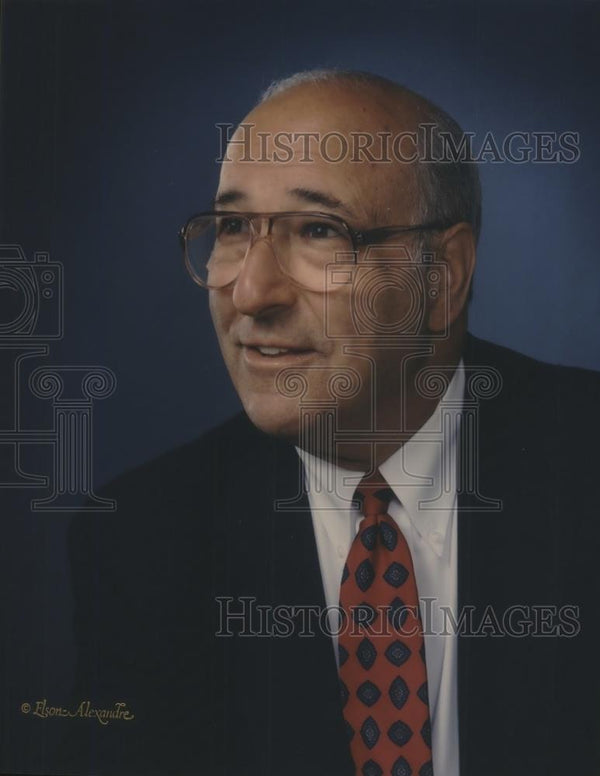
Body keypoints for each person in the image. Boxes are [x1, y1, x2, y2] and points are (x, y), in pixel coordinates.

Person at [65, 71, 600, 776]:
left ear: (442, 276)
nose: (250, 293)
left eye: (318, 231)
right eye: (232, 228)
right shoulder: (141, 538)